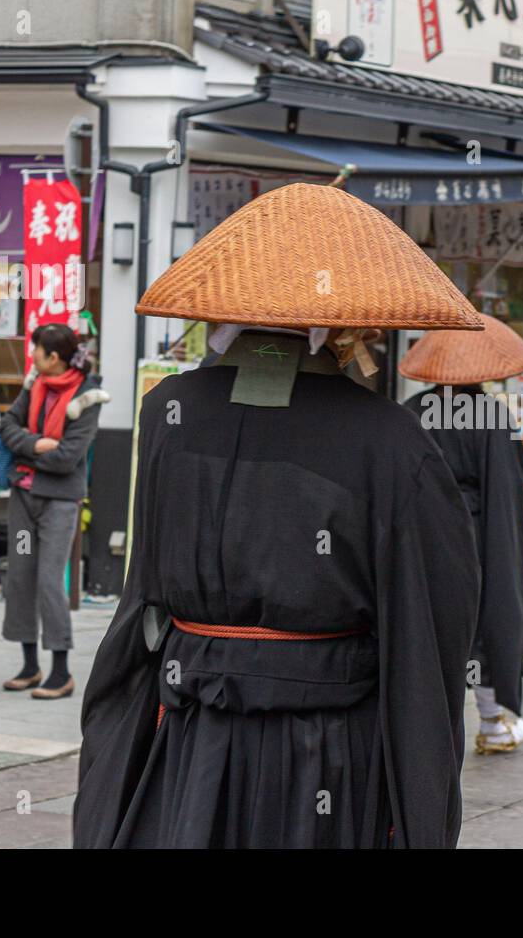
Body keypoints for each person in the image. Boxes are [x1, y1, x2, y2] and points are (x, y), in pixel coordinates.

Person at [73, 183, 482, 848]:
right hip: (326, 747)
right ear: (343, 328)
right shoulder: (390, 439)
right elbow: (433, 620)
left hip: (190, 729)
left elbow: (142, 586)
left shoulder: (168, 412)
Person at [399, 314, 523, 754]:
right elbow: (510, 489)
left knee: (419, 623)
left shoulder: (411, 412)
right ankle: (493, 722)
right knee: (481, 621)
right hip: (475, 537)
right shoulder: (491, 416)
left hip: (417, 539)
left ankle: (420, 724)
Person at [0, 324, 108, 699]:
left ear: (54, 357)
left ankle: (61, 672)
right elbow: (7, 425)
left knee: (48, 579)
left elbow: (67, 459)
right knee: (21, 574)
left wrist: (26, 452)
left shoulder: (88, 396)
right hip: (23, 502)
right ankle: (30, 666)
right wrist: (36, 444)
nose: (33, 356)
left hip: (58, 505)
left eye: (36, 351)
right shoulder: (35, 386)